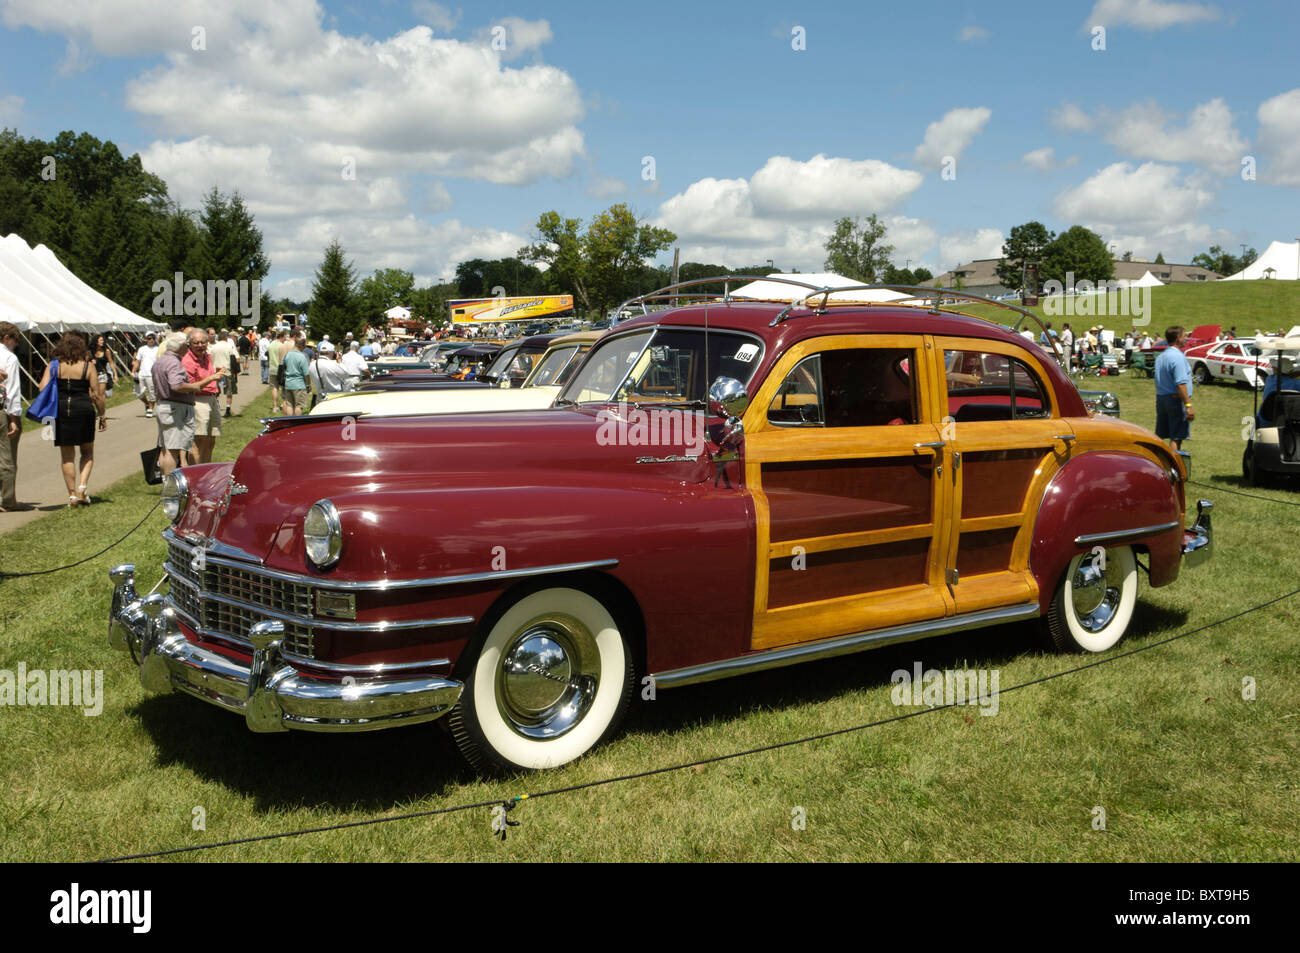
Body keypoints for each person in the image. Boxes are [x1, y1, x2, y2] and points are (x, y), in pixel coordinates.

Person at [36, 332, 105, 506]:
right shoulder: (87, 367)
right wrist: (102, 414)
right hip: (83, 409)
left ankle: (72, 496)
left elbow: (41, 387)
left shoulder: (54, 365)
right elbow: (97, 395)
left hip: (61, 410)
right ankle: (82, 486)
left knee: (67, 456)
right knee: (87, 451)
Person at [180, 329, 227, 464]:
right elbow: (190, 386)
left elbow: (209, 377)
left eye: (203, 342)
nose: (200, 345)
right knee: (197, 441)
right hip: (198, 400)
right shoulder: (187, 361)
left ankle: (206, 470)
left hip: (212, 398)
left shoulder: (207, 356)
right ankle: (195, 473)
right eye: (196, 343)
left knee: (211, 439)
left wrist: (217, 375)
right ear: (189, 343)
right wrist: (212, 377)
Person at [1154, 325, 1194, 450]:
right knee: (1176, 437)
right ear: (1178, 338)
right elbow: (1181, 384)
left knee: (1160, 436)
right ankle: (1172, 467)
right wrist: (1188, 405)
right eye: (1184, 336)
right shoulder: (1177, 357)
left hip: (1162, 398)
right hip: (1175, 400)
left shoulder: (1161, 357)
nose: (1186, 339)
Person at [0, 322, 25, 511]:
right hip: (2, 411)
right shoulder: (9, 358)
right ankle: (8, 500)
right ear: (7, 338)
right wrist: (14, 420)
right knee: (7, 458)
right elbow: (13, 391)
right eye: (16, 339)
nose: (17, 344)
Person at [209, 331, 237, 418]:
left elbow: (210, 360)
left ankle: (216, 406)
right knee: (229, 391)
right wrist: (235, 373)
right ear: (226, 338)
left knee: (216, 391)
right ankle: (228, 409)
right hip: (227, 371)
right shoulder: (229, 347)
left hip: (216, 372)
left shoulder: (213, 348)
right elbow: (234, 360)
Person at [282, 335, 311, 415]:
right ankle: (297, 424)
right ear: (301, 346)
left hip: (288, 383)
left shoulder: (287, 355)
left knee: (289, 405)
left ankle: (289, 422)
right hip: (299, 384)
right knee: (298, 406)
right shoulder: (302, 356)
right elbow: (306, 373)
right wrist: (308, 384)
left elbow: (283, 366)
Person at [132, 331, 158, 417]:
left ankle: (150, 409)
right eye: (149, 338)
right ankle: (147, 403)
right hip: (142, 374)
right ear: (146, 339)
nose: (151, 340)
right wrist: (133, 371)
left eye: (153, 338)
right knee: (138, 393)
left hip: (152, 375)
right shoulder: (141, 349)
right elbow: (137, 361)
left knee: (152, 393)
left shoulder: (158, 349)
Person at [91, 334, 116, 399]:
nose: (103, 342)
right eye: (101, 340)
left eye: (103, 340)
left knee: (100, 396)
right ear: (96, 341)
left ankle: (101, 409)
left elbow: (111, 362)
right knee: (93, 396)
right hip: (93, 376)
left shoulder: (106, 351)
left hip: (102, 375)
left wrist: (115, 374)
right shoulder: (91, 352)